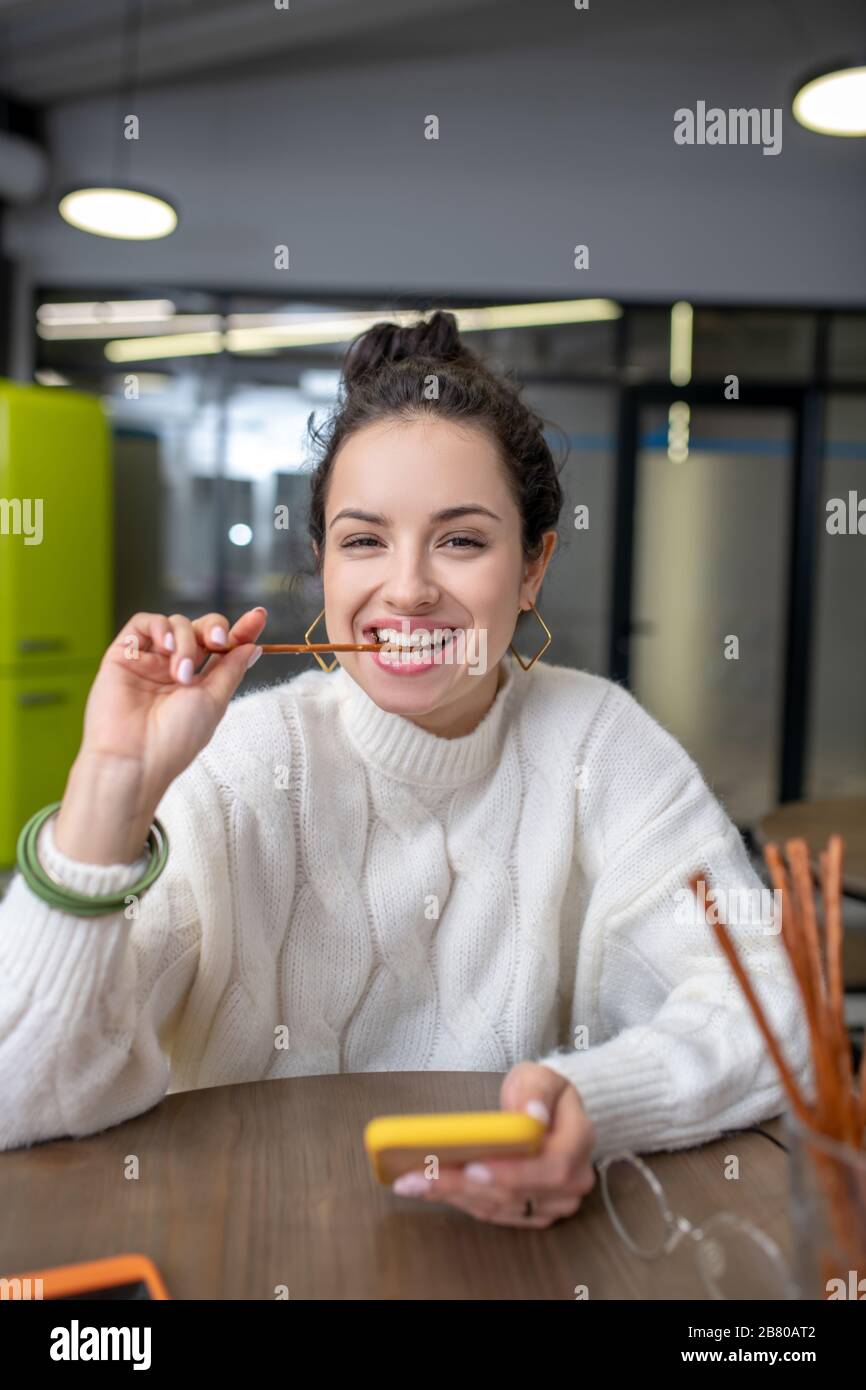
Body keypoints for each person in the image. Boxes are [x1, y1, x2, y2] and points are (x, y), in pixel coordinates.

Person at [0, 311, 810, 1229]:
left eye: (462, 540)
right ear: (322, 565)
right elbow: (19, 1092)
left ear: (534, 567)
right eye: (363, 540)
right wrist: (112, 782)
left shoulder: (600, 744)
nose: (410, 587)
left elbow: (778, 1017)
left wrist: (592, 1104)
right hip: (242, 1244)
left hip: (509, 1262)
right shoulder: (242, 761)